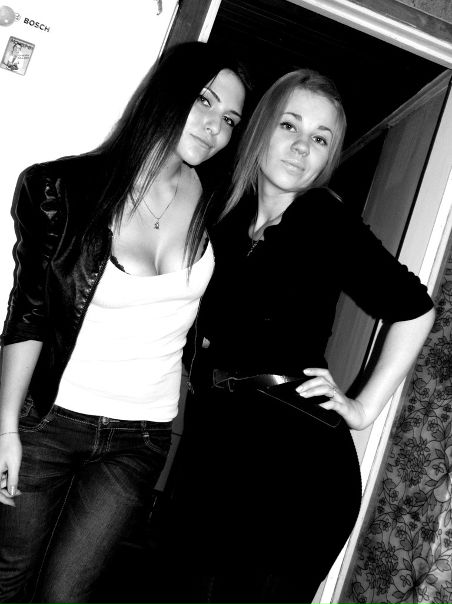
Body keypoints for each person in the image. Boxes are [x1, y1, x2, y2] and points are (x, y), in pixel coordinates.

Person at [166, 68, 435, 602]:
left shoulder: (323, 220)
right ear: (261, 128)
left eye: (320, 138)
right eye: (289, 125)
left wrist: (362, 408)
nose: (301, 146)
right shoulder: (222, 214)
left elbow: (415, 309)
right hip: (215, 447)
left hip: (298, 468)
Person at [0, 40, 248, 603]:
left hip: (139, 437)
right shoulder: (60, 189)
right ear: (167, 94)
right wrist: (5, 427)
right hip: (49, 420)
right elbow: (29, 313)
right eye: (204, 101)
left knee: (66, 596)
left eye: (230, 119)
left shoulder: (222, 205)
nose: (215, 126)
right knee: (8, 579)